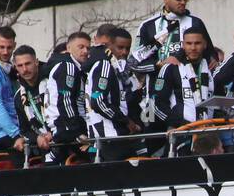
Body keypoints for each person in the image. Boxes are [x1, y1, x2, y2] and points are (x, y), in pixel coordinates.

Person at [131, 0, 212, 78]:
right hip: (158, 86)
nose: (183, 2)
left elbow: (210, 55)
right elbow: (135, 63)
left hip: (190, 86)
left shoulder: (196, 22)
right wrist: (159, 64)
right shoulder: (148, 25)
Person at [85, 27, 144, 160]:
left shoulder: (115, 66)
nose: (124, 52)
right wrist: (125, 121)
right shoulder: (104, 65)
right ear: (109, 45)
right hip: (110, 137)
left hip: (108, 138)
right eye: (120, 47)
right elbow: (98, 101)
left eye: (127, 48)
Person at [152, 26, 214, 140]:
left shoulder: (210, 67)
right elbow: (157, 105)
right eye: (189, 43)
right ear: (183, 45)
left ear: (205, 44)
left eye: (197, 43)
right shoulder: (171, 68)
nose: (193, 47)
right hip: (181, 132)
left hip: (208, 132)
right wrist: (182, 124)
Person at [41, 36, 89, 162]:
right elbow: (65, 98)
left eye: (88, 48)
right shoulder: (68, 66)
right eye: (81, 47)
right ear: (68, 48)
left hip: (62, 127)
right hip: (67, 128)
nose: (85, 51)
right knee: (91, 154)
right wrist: (76, 130)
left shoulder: (75, 68)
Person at [10, 45, 50, 160]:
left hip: (65, 142)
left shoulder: (52, 82)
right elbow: (24, 129)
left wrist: (54, 132)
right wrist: (37, 138)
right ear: (15, 67)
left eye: (28, 64)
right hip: (45, 149)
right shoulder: (19, 96)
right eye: (20, 66)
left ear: (36, 62)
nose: (24, 69)